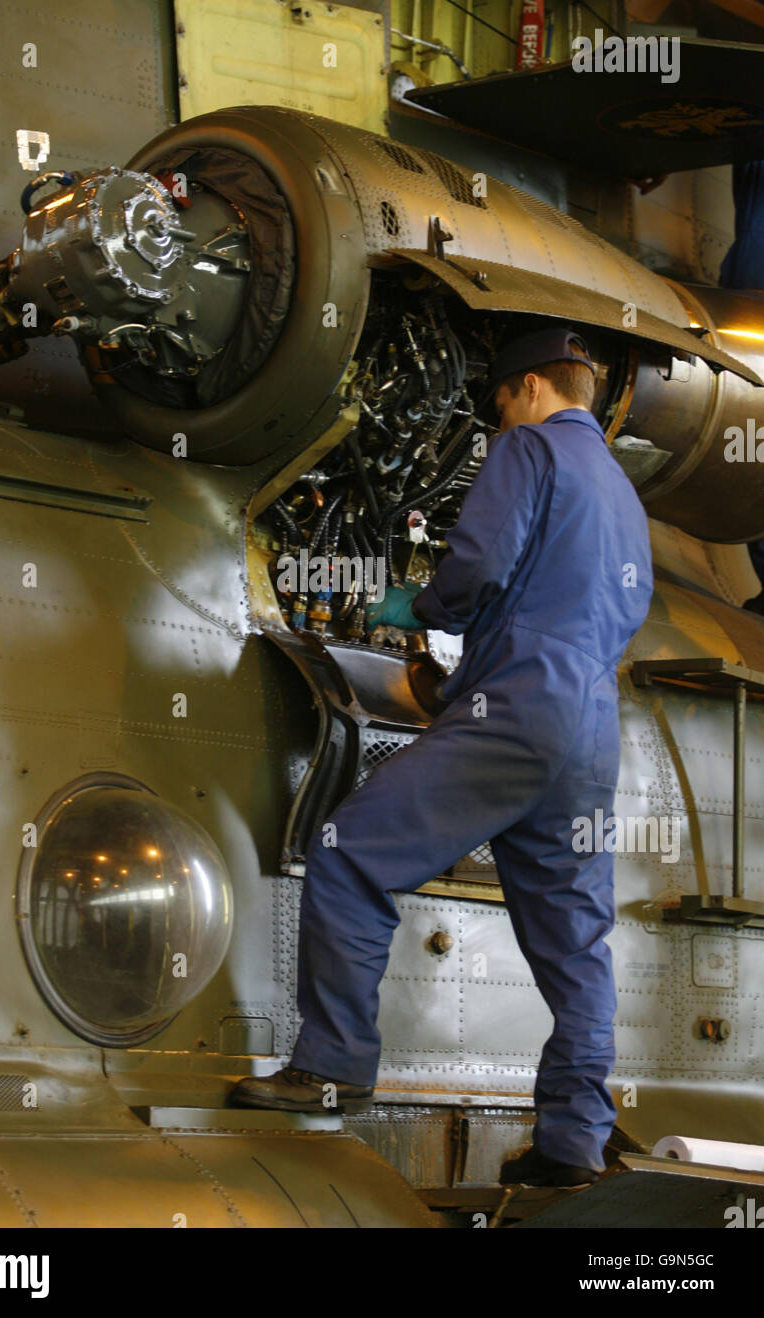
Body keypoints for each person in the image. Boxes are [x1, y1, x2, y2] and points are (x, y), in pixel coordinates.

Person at [231, 327, 654, 1187]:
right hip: (592, 733)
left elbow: (477, 571)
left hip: (518, 711)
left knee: (349, 855)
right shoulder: (620, 490)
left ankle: (334, 1066)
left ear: (528, 388)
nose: (497, 426)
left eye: (498, 406)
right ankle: (572, 1147)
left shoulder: (530, 447)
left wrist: (416, 602)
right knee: (576, 948)